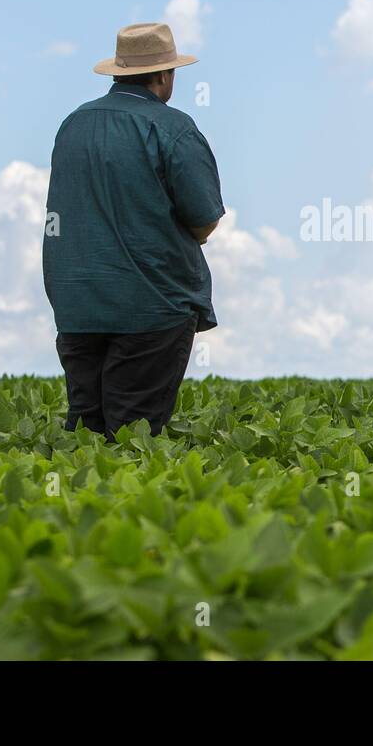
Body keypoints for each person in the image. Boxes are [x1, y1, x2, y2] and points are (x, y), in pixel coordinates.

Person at [42, 23, 224, 440]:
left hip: (77, 305)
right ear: (164, 75)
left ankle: (73, 502)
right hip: (150, 306)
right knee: (132, 440)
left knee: (85, 435)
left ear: (117, 73)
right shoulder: (172, 128)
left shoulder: (73, 125)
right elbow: (204, 215)